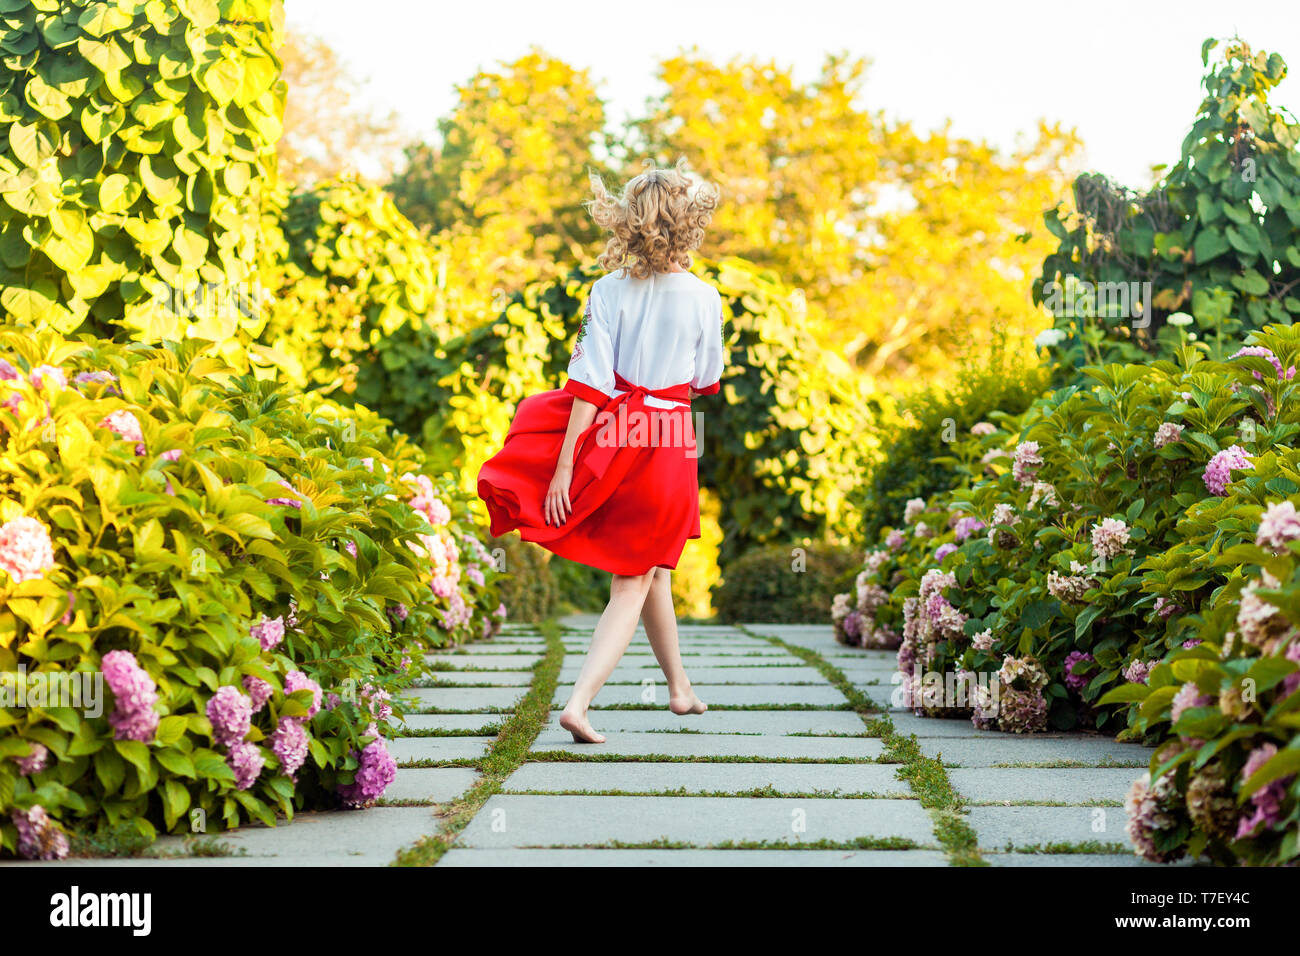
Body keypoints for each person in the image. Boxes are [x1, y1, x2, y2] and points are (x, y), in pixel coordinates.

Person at [478, 158, 725, 743]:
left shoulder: (606, 291)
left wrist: (566, 464)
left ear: (628, 221)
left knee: (652, 569)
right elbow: (706, 379)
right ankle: (579, 704)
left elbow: (587, 383)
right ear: (689, 223)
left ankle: (679, 690)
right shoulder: (705, 296)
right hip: (667, 441)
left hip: (615, 437)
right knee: (633, 580)